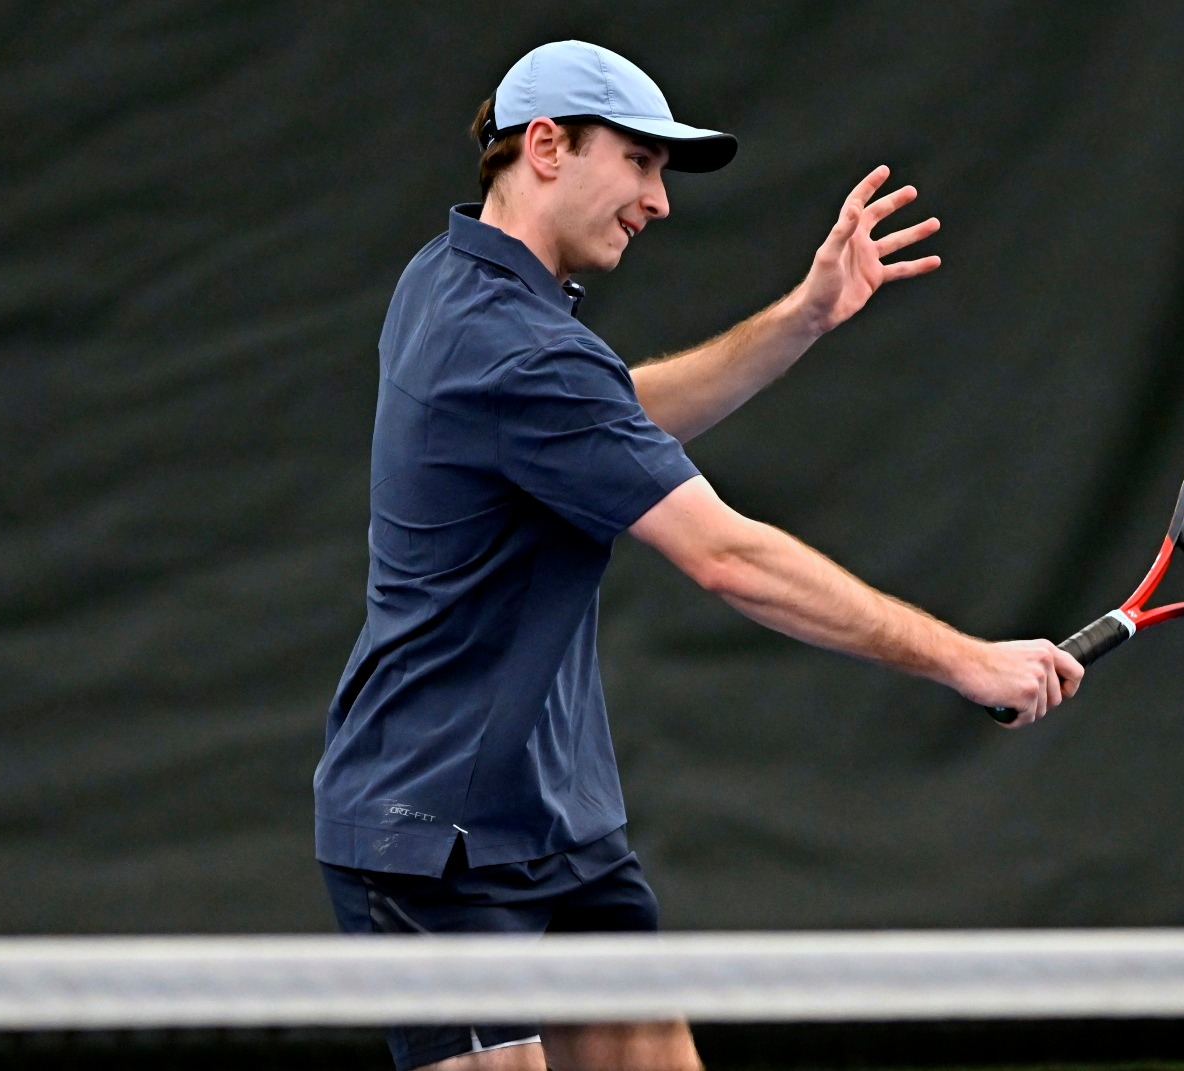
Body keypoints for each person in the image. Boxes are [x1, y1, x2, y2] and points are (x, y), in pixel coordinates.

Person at [312, 40, 1083, 1071]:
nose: (659, 200)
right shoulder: (515, 349)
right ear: (547, 146)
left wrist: (801, 319)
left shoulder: (451, 275)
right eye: (639, 162)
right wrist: (966, 659)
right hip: (432, 826)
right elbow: (727, 556)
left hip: (552, 810)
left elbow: (610, 418)